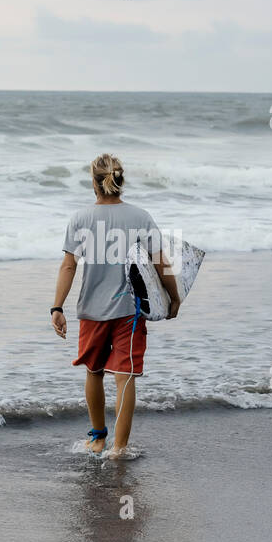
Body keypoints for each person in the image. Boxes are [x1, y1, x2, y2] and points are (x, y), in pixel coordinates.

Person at [51, 153, 179, 458]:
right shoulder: (140, 217)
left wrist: (56, 307)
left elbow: (68, 267)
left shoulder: (80, 219)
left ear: (93, 183)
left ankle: (97, 438)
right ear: (121, 182)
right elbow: (161, 264)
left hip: (92, 310)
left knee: (94, 371)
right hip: (129, 312)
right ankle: (120, 448)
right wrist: (175, 298)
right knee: (125, 376)